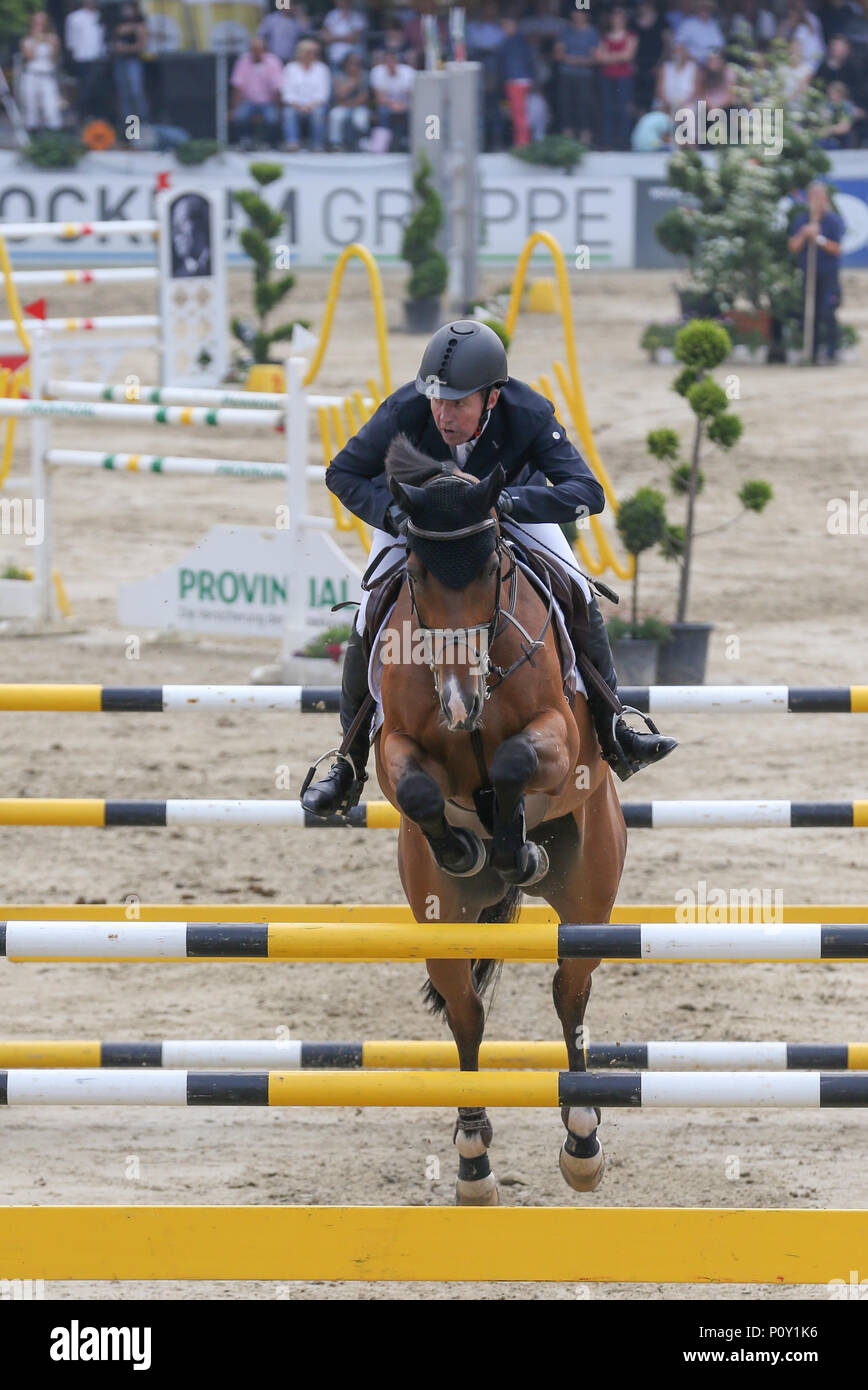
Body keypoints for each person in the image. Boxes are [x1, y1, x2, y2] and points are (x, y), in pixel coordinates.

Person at [301, 321, 677, 818]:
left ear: (491, 398)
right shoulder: (403, 409)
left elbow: (589, 494)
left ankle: (615, 724)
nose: (442, 413)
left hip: (502, 519)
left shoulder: (528, 412)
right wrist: (397, 517)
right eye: (436, 400)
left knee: (578, 590)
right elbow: (341, 472)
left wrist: (506, 499)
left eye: (457, 403)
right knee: (367, 610)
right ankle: (347, 761)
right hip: (422, 525)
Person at [787, 181, 844, 362]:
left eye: (820, 197)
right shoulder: (802, 219)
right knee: (809, 312)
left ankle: (832, 352)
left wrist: (818, 238)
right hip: (808, 273)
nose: (817, 201)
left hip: (828, 273)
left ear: (826, 199)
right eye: (813, 197)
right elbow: (793, 247)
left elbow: (837, 248)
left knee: (828, 311)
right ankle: (811, 353)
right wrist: (804, 234)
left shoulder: (833, 220)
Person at [553, 8, 599, 144]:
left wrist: (571, 59)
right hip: (567, 74)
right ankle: (568, 136)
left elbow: (594, 57)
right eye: (576, 12)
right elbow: (558, 54)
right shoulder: (565, 31)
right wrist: (581, 60)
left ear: (586, 15)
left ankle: (585, 137)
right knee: (566, 103)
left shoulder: (592, 32)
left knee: (584, 104)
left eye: (581, 13)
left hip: (584, 75)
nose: (578, 15)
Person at [595, 7, 638, 151]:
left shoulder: (631, 35)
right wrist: (618, 56)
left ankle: (623, 141)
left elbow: (628, 56)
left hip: (623, 77)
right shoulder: (605, 36)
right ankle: (607, 141)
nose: (617, 19)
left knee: (623, 109)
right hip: (607, 76)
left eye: (620, 16)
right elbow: (599, 57)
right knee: (607, 109)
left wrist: (609, 56)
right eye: (614, 16)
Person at [229, 35, 283, 147]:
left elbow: (277, 87)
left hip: (268, 101)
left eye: (259, 49)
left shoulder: (273, 61)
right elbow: (237, 86)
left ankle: (269, 144)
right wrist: (234, 108)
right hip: (249, 100)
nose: (256, 52)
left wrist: (279, 108)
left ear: (264, 49)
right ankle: (245, 141)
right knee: (239, 116)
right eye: (253, 49)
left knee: (273, 119)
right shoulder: (243, 60)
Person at [281, 38, 331, 151]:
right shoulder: (290, 68)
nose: (312, 55)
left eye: (314, 52)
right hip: (295, 105)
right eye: (309, 52)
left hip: (315, 105)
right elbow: (287, 93)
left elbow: (323, 94)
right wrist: (298, 105)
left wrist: (309, 106)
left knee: (318, 113)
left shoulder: (322, 69)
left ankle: (317, 145)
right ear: (300, 53)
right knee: (288, 113)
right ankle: (292, 143)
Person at [497, 16, 536, 147]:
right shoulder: (521, 41)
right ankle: (521, 140)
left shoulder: (510, 42)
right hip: (523, 79)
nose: (504, 29)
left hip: (515, 80)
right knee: (520, 112)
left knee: (518, 113)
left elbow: (504, 63)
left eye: (506, 26)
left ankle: (522, 142)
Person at [64, 0, 105, 122]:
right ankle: (82, 116)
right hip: (82, 58)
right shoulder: (74, 17)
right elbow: (71, 40)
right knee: (84, 89)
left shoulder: (100, 16)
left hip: (99, 58)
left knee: (98, 90)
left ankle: (98, 117)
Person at [20, 11, 62, 130]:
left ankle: (54, 132)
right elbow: (29, 57)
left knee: (51, 106)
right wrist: (36, 40)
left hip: (47, 75)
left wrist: (51, 43)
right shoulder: (27, 40)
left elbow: (55, 58)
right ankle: (32, 132)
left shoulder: (53, 38)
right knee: (30, 105)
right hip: (31, 75)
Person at [111, 1, 149, 123]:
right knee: (124, 93)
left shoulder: (140, 21)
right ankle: (128, 125)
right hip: (120, 61)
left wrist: (126, 48)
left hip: (133, 61)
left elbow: (141, 45)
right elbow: (117, 34)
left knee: (135, 91)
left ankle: (142, 122)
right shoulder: (118, 20)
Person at [370, 49, 415, 150]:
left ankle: (408, 143)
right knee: (383, 112)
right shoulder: (377, 71)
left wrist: (402, 106)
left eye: (393, 60)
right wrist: (393, 104)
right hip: (387, 104)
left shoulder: (407, 72)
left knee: (412, 113)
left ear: (397, 61)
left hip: (405, 104)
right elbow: (379, 98)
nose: (390, 64)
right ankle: (379, 147)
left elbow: (411, 96)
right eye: (388, 61)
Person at [328, 50, 370, 150]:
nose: (354, 66)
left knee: (360, 119)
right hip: (342, 106)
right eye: (352, 62)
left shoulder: (364, 76)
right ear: (345, 63)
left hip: (358, 106)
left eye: (357, 63)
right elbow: (339, 95)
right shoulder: (338, 75)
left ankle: (361, 143)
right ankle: (336, 143)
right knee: (335, 116)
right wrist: (353, 83)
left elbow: (363, 98)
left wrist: (349, 103)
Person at [634, 0, 667, 114]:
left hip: (655, 66)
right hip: (638, 67)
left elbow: (667, 46)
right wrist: (633, 64)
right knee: (638, 101)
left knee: (653, 100)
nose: (642, 7)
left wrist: (659, 65)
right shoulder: (633, 22)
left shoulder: (662, 21)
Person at [321, 0, 367, 69]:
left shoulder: (357, 16)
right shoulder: (330, 16)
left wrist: (333, 37)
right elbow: (325, 37)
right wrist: (346, 37)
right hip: (335, 57)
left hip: (353, 59)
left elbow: (354, 38)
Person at [657, 39, 699, 113]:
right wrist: (668, 104)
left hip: (687, 103)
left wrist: (682, 104)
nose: (678, 54)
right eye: (675, 51)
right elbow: (659, 90)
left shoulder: (693, 68)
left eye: (681, 51)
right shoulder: (665, 67)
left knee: (689, 112)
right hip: (666, 102)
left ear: (686, 53)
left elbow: (696, 91)